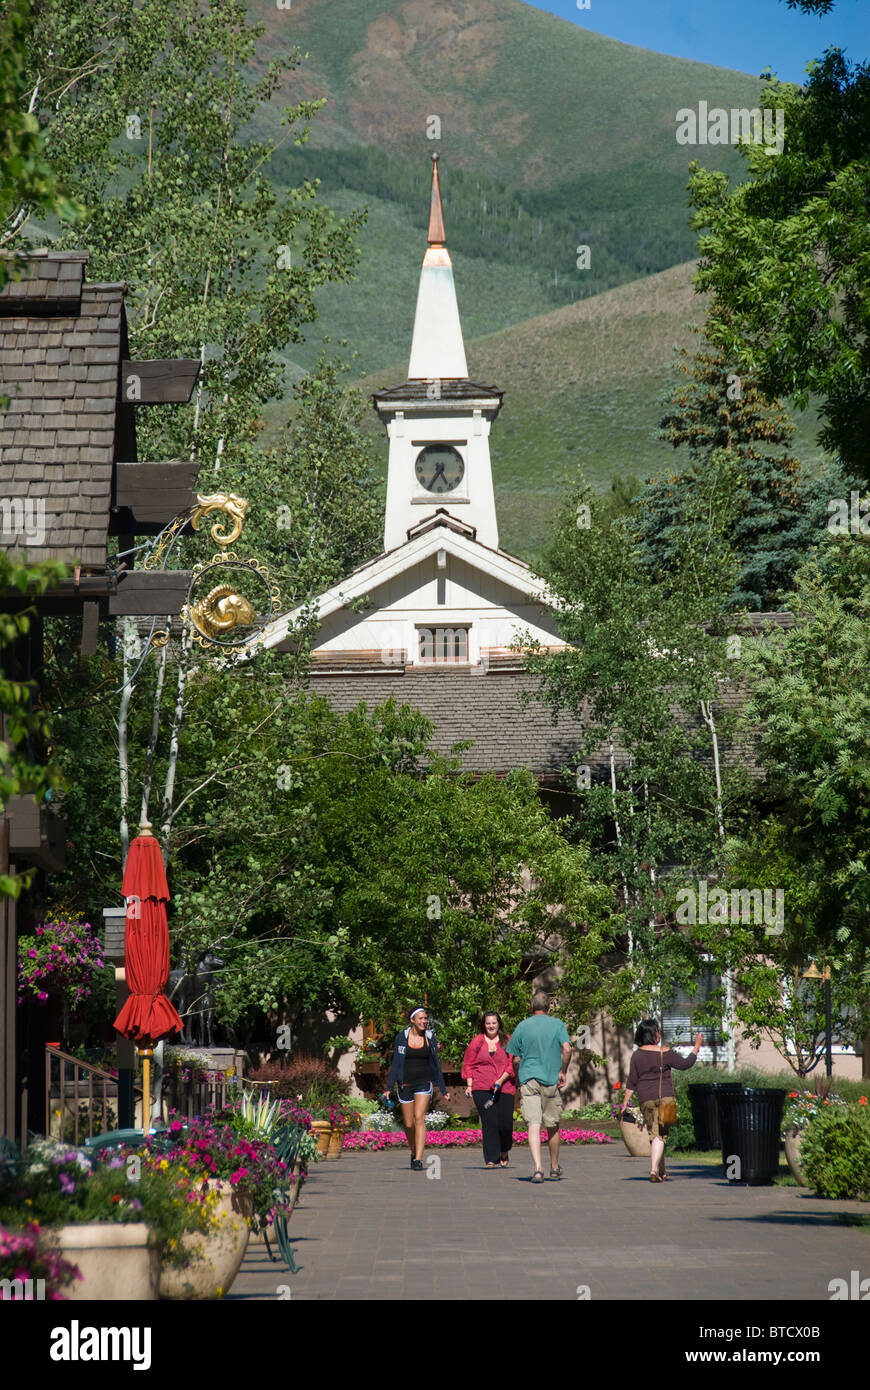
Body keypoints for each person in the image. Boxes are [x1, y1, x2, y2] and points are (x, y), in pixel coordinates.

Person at [621, 1020, 703, 1181]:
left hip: (645, 1099)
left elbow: (632, 1081)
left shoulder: (636, 1056)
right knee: (661, 1135)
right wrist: (697, 1046)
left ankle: (661, 1171)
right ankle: (653, 1170)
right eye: (657, 1031)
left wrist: (625, 1103)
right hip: (664, 1098)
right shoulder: (664, 1052)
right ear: (653, 1034)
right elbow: (685, 1064)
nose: (659, 1034)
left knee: (655, 1134)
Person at [508, 991, 572, 1183]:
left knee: (533, 1125)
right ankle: (554, 1166)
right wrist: (563, 1071)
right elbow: (567, 1048)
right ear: (548, 1007)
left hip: (529, 1079)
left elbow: (516, 1058)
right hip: (551, 1079)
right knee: (552, 1124)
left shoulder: (522, 1026)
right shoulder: (557, 1025)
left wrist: (519, 1077)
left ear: (531, 1006)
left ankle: (537, 1169)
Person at [384, 1006, 450, 1170]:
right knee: (408, 1123)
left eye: (425, 1018)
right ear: (412, 1020)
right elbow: (396, 1064)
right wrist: (389, 1087)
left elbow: (436, 1064)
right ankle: (414, 1151)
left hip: (423, 1082)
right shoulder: (401, 1037)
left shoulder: (430, 1037)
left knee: (419, 1117)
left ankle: (418, 1159)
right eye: (420, 1018)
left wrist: (443, 1088)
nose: (424, 1021)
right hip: (405, 1083)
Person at [461, 1011, 517, 1168]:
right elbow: (468, 1064)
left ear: (498, 1023)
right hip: (481, 1087)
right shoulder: (477, 1042)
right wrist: (470, 1085)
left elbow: (511, 1064)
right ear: (483, 1025)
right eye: (488, 1023)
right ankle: (491, 1158)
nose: (491, 1026)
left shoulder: (508, 1041)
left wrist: (499, 1081)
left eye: (494, 1022)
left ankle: (504, 1149)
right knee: (489, 1121)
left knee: (505, 1124)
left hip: (504, 1086)